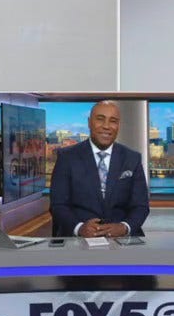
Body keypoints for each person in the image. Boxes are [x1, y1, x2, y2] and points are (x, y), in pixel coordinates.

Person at [49, 101, 149, 237]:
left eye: (113, 121)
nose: (106, 126)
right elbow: (58, 205)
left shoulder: (132, 158)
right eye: (100, 119)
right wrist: (79, 228)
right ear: (89, 122)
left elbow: (141, 206)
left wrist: (124, 227)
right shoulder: (67, 157)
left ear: (118, 126)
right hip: (78, 241)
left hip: (122, 240)